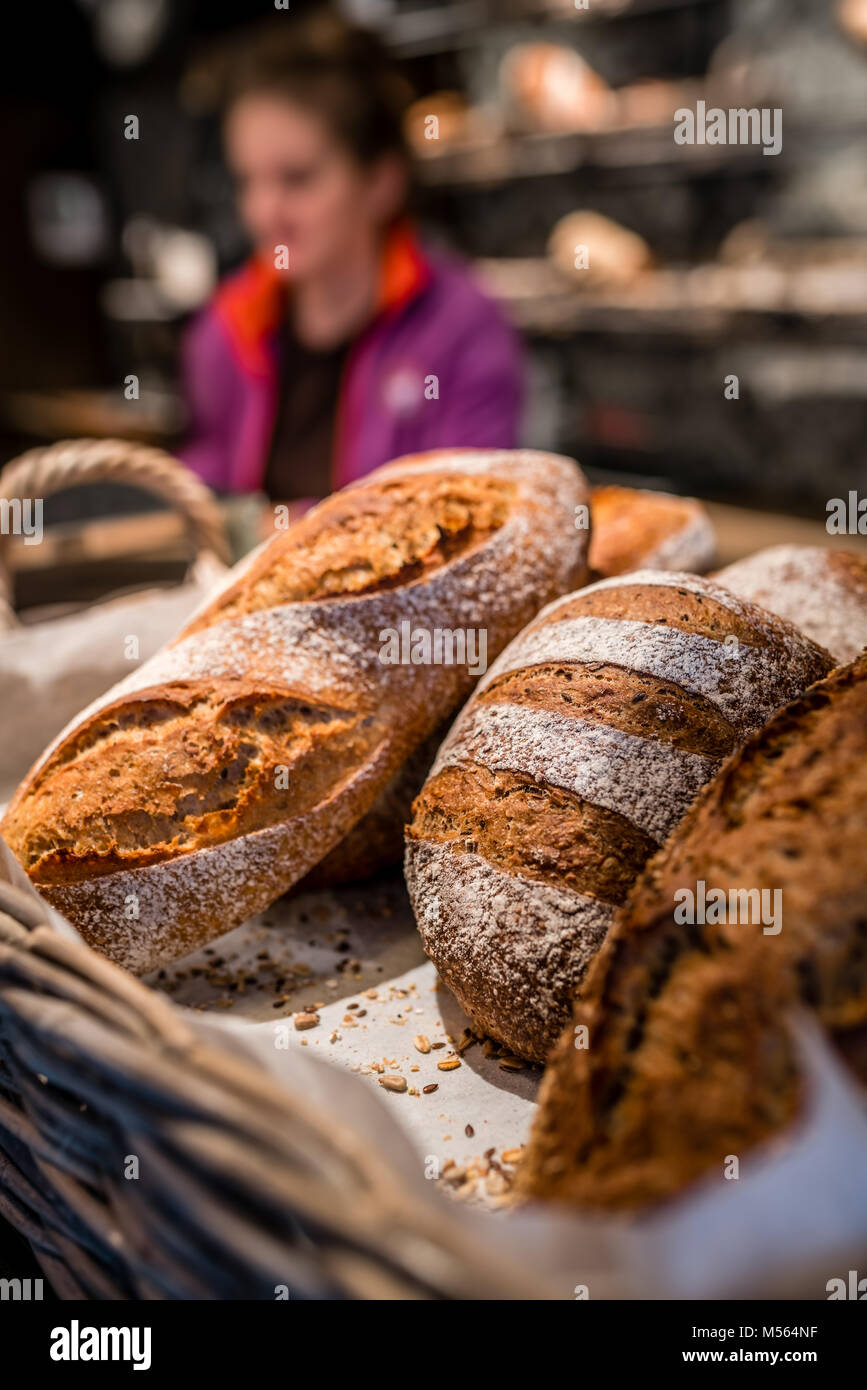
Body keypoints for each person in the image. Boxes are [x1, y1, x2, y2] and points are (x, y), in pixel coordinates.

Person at [180, 10, 525, 507]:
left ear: (381, 183)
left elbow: (473, 516)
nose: (263, 212)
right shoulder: (224, 330)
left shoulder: (462, 327)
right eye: (246, 181)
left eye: (296, 178)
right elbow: (205, 485)